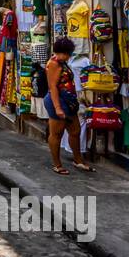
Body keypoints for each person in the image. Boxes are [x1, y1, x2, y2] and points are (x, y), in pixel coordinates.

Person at [44, 37, 90, 174]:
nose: (69, 56)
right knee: (56, 133)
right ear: (63, 52)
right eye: (68, 53)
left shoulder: (62, 62)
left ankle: (78, 160)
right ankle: (57, 164)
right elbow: (53, 87)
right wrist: (58, 108)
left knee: (75, 131)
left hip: (68, 101)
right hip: (58, 101)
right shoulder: (54, 64)